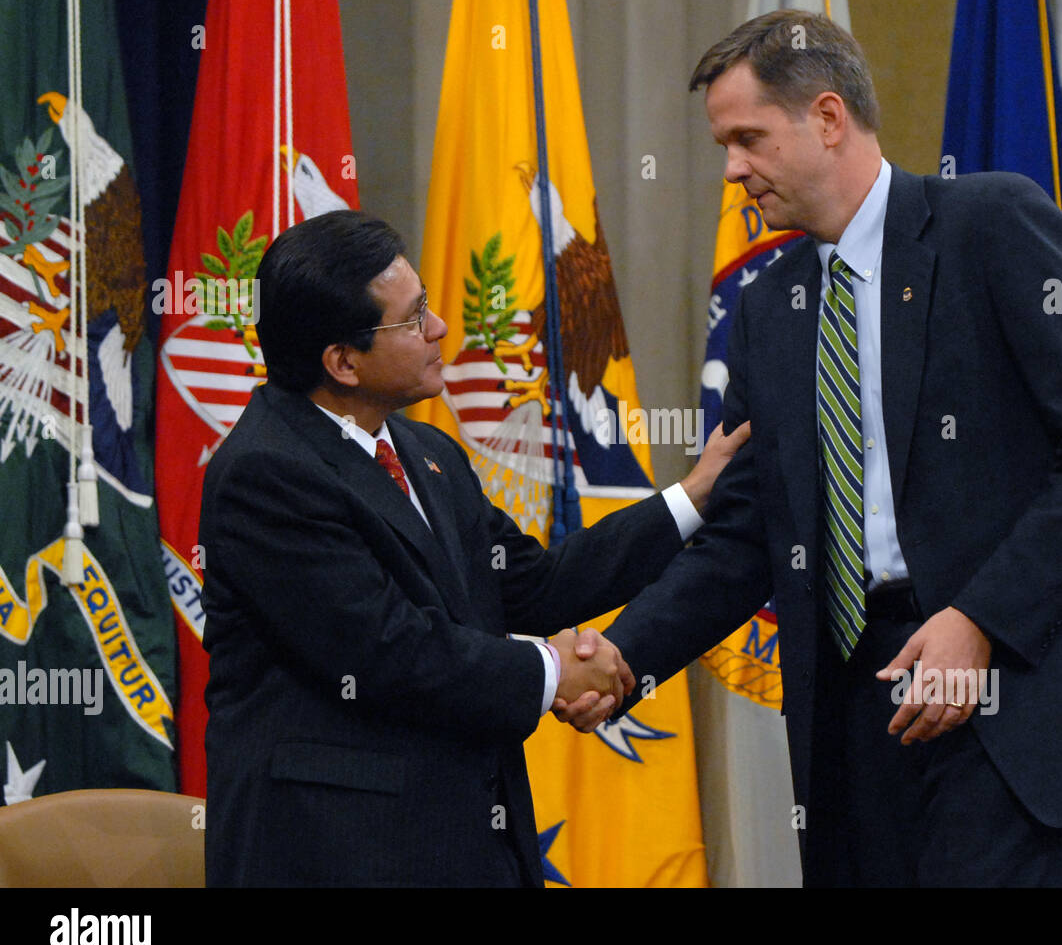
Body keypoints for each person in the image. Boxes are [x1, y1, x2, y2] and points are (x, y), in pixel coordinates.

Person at [560, 10, 1062, 886]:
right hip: (853, 716)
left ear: (828, 118)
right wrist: (631, 652)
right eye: (723, 144)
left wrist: (979, 624)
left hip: (1012, 698)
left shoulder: (994, 223)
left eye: (747, 138)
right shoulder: (768, 306)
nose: (733, 169)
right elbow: (749, 531)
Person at [199, 209, 747, 886]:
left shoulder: (427, 454)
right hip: (337, 854)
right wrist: (555, 672)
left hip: (467, 841)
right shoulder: (265, 474)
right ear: (342, 361)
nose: (439, 330)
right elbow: (392, 653)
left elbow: (536, 587)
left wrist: (694, 496)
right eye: (413, 319)